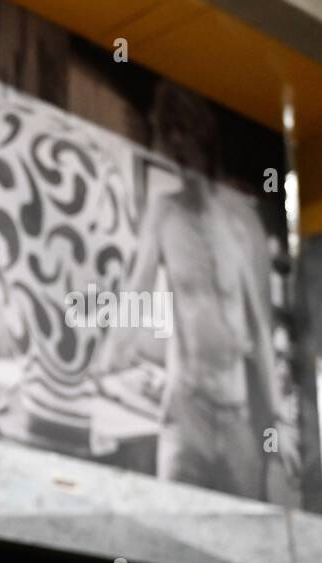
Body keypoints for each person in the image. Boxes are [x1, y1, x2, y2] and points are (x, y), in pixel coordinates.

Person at [132, 81, 300, 498]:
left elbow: (259, 333)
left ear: (201, 138)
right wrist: (100, 351)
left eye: (182, 130)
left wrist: (278, 419)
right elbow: (133, 297)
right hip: (185, 412)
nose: (174, 144)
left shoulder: (238, 225)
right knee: (173, 541)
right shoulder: (162, 213)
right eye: (167, 132)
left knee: (239, 544)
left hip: (237, 420)